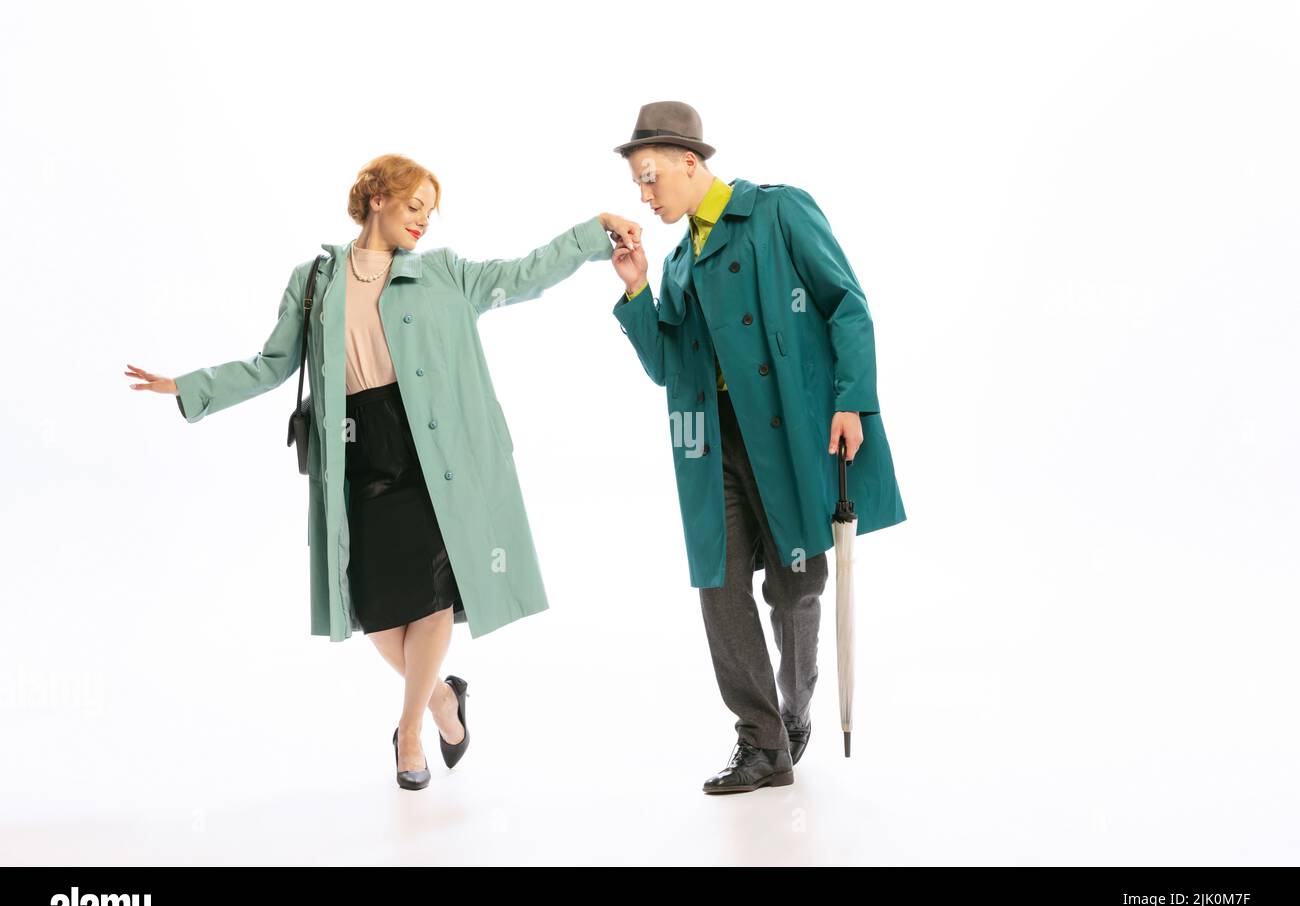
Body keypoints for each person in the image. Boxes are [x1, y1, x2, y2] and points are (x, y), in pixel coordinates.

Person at [127, 152, 640, 790]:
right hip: (357, 448)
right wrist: (189, 385)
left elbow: (525, 273)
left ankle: (410, 733)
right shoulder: (314, 280)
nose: (424, 221)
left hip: (435, 448)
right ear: (377, 199)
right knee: (373, 606)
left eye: (432, 211)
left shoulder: (444, 273)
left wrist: (592, 234)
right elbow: (271, 364)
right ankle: (443, 701)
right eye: (414, 206)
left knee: (432, 596)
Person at [608, 103, 906, 794]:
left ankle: (793, 708)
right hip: (713, 444)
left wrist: (851, 398)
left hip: (788, 431)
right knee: (719, 582)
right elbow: (668, 366)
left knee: (797, 580)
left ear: (691, 160)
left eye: (650, 178)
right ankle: (761, 741)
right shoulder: (679, 263)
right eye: (637, 186)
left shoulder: (777, 212)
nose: (645, 196)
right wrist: (636, 288)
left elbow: (846, 304)